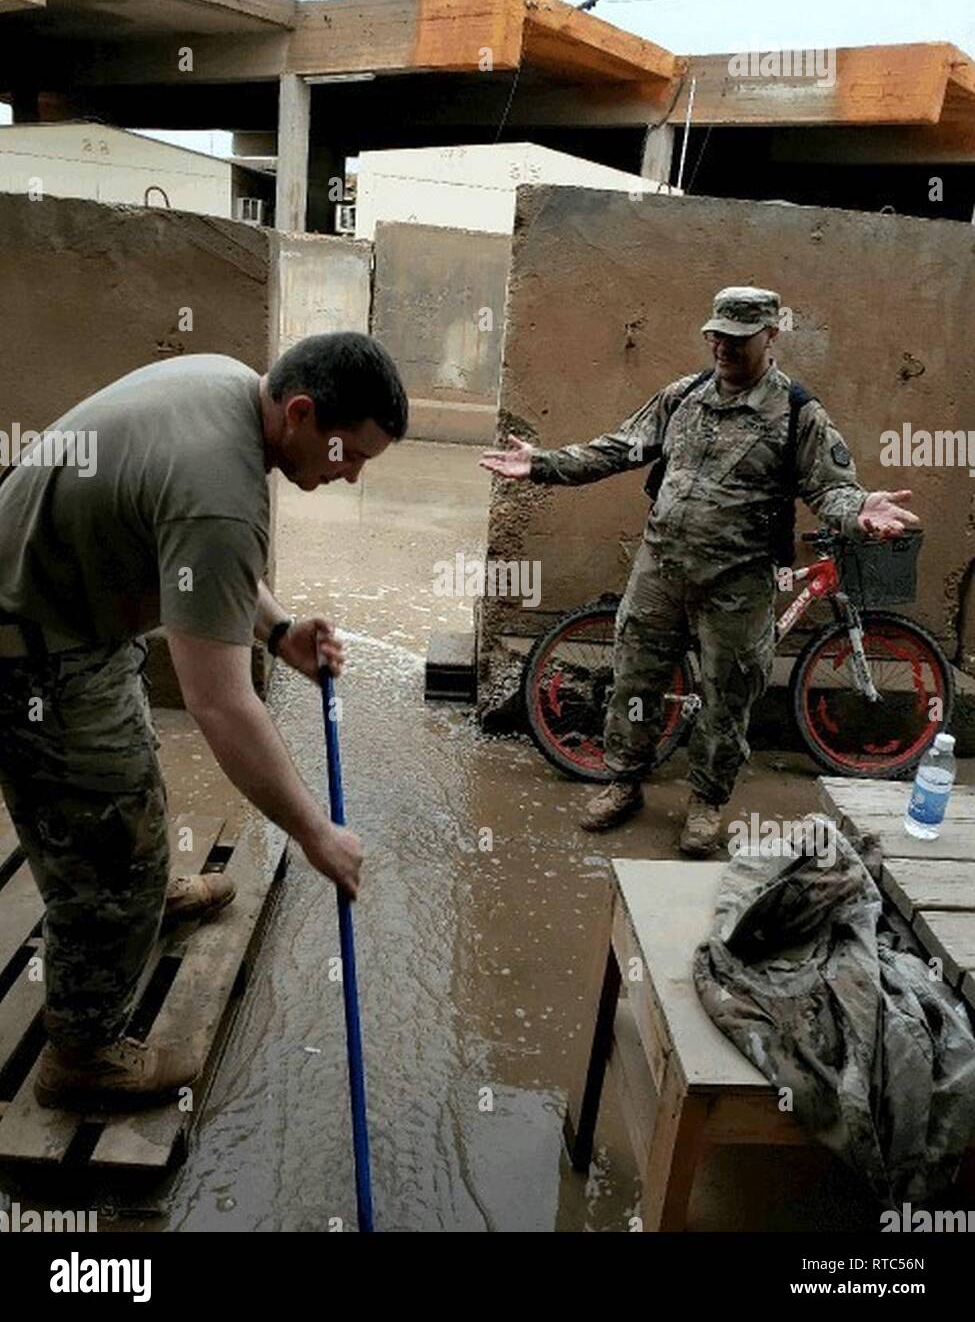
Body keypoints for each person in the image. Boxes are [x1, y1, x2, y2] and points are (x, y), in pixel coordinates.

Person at [0, 332, 407, 1109]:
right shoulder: (221, 489)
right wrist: (316, 834)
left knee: (129, 782)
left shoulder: (227, 384)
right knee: (105, 838)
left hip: (70, 612)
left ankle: (139, 897)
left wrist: (278, 630)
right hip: (29, 655)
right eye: (347, 453)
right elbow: (220, 705)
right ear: (299, 411)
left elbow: (195, 562)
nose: (350, 474)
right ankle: (82, 1056)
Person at [480, 287, 917, 852]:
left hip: (736, 586)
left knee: (726, 699)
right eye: (717, 335)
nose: (725, 347)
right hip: (659, 571)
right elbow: (620, 448)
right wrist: (543, 464)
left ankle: (707, 803)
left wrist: (859, 511)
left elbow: (831, 490)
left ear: (770, 335)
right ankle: (624, 781)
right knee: (634, 681)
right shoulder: (683, 396)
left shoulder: (797, 415)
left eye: (739, 338)